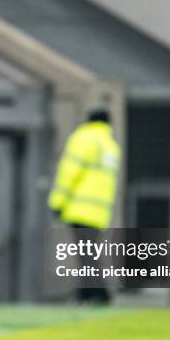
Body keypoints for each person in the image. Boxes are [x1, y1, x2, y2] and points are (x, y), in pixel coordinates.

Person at [48, 109, 121, 303]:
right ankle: (89, 293)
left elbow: (70, 172)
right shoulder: (110, 145)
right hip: (99, 212)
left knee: (85, 255)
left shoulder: (84, 138)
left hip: (80, 208)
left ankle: (97, 294)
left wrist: (57, 202)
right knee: (88, 253)